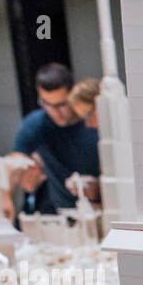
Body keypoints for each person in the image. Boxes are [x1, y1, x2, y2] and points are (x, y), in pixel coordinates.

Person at [12, 63, 100, 214]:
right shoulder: (38, 123)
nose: (56, 112)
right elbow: (14, 159)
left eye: (62, 105)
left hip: (104, 207)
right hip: (64, 212)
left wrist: (99, 188)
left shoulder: (93, 121)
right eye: (47, 104)